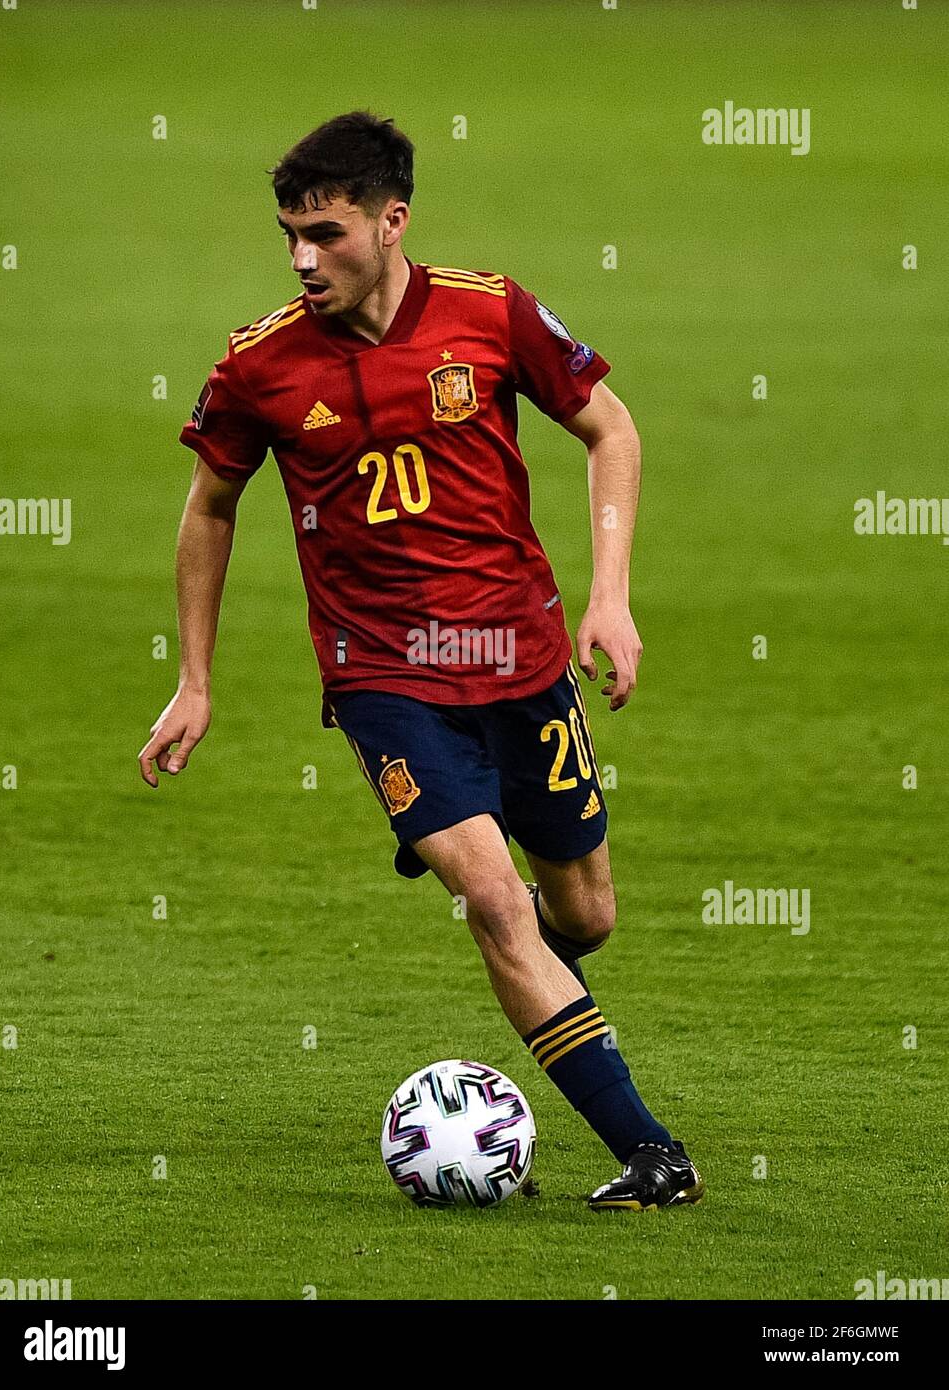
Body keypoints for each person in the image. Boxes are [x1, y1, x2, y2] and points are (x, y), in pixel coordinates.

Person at [138, 111, 703, 1212]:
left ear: (393, 222)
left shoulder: (491, 314)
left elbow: (612, 428)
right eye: (290, 234)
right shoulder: (258, 365)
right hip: (383, 680)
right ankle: (649, 1150)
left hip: (522, 657)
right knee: (494, 900)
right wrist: (195, 679)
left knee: (580, 916)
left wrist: (611, 597)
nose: (304, 258)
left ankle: (544, 1000)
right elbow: (210, 508)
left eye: (329, 233)